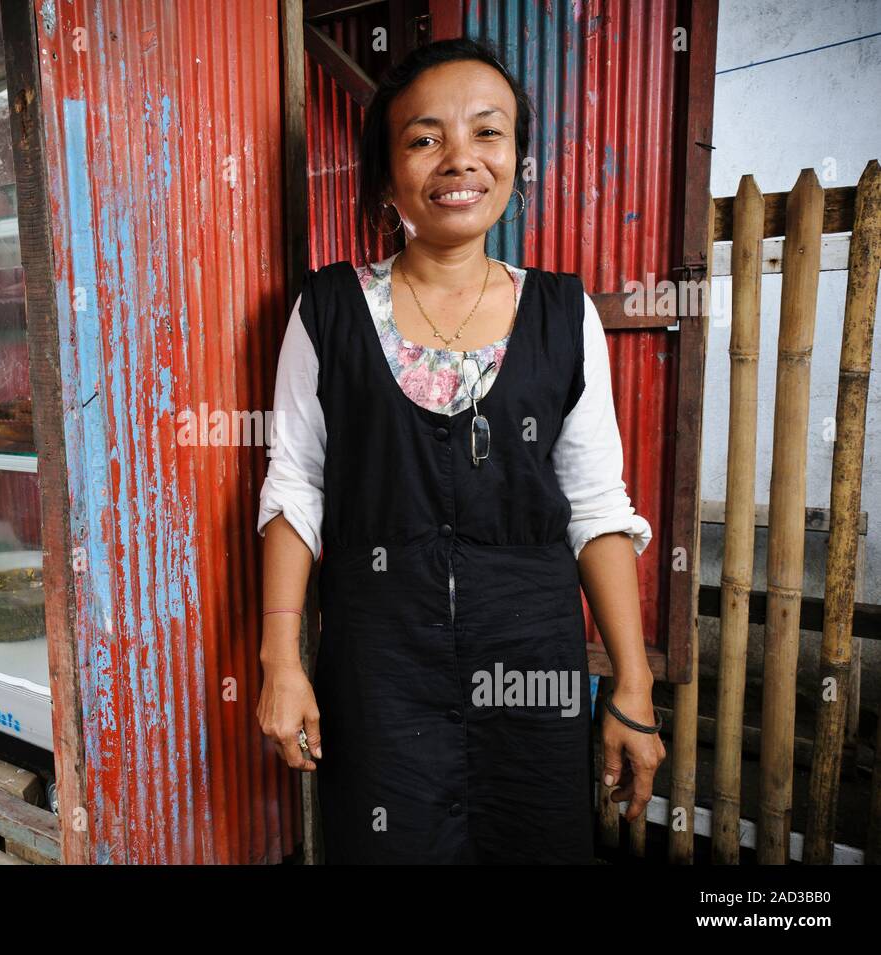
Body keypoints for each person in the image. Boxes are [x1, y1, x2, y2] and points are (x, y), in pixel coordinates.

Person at [256, 38, 664, 864]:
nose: (460, 159)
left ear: (515, 157)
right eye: (424, 137)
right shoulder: (327, 311)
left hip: (533, 671)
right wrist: (280, 660)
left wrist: (633, 682)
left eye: (488, 133)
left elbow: (594, 506)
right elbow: (296, 485)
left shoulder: (563, 314)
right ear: (385, 173)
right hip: (378, 673)